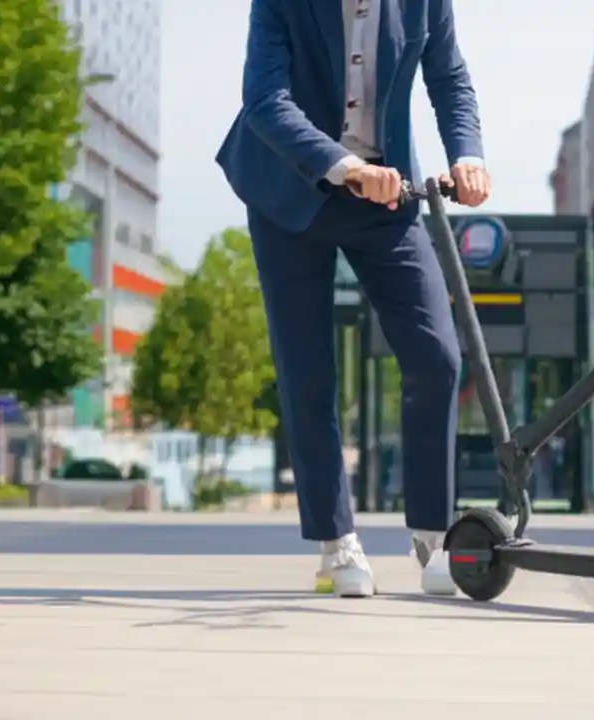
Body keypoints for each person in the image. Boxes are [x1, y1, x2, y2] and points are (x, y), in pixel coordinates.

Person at [216, 0, 491, 597]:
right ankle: (335, 542)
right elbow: (265, 99)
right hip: (290, 190)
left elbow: (448, 77)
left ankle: (431, 532)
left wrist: (466, 154)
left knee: (436, 357)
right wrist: (343, 166)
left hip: (389, 197)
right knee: (308, 372)